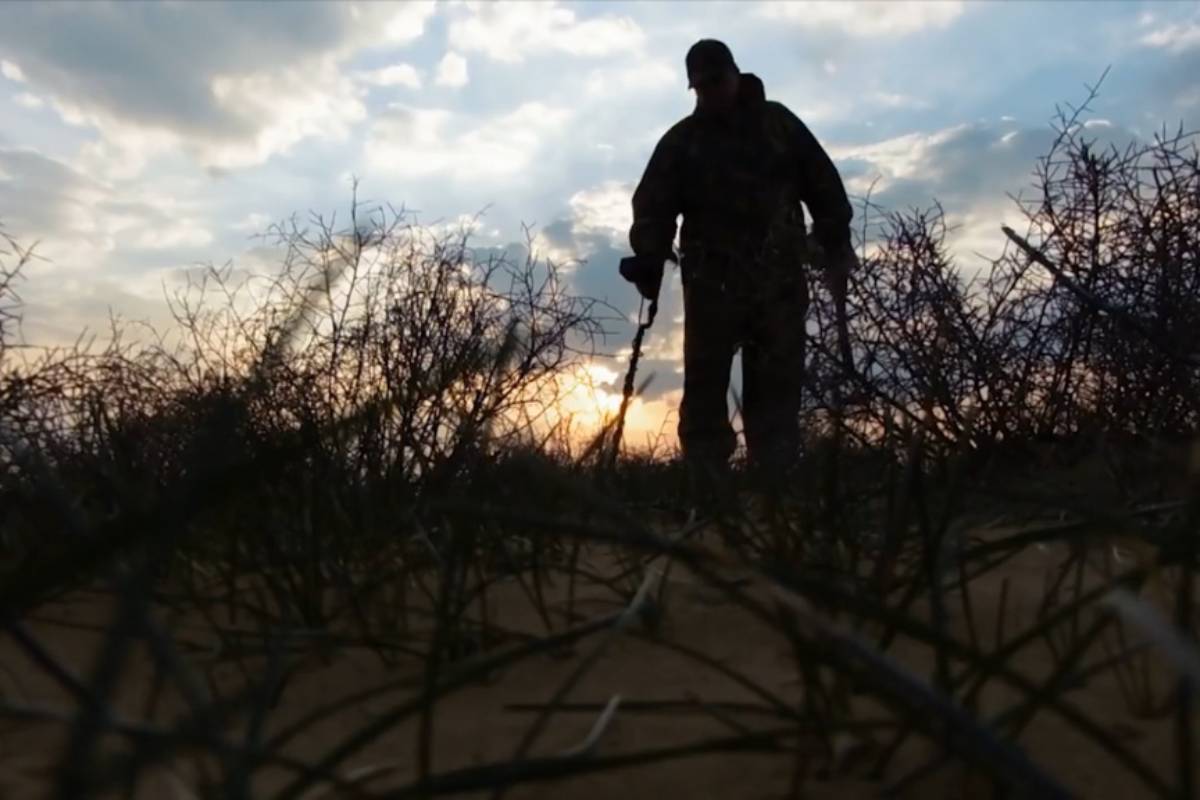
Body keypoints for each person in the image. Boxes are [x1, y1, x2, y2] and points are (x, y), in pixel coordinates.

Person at [624, 39, 857, 506]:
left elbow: (825, 186)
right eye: (701, 85)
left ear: (735, 73)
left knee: (775, 389)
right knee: (705, 390)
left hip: (779, 281)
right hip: (712, 285)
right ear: (693, 88)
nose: (711, 91)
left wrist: (831, 238)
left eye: (717, 80)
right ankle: (707, 493)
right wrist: (649, 257)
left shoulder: (779, 125)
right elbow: (652, 207)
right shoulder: (682, 141)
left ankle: (776, 489)